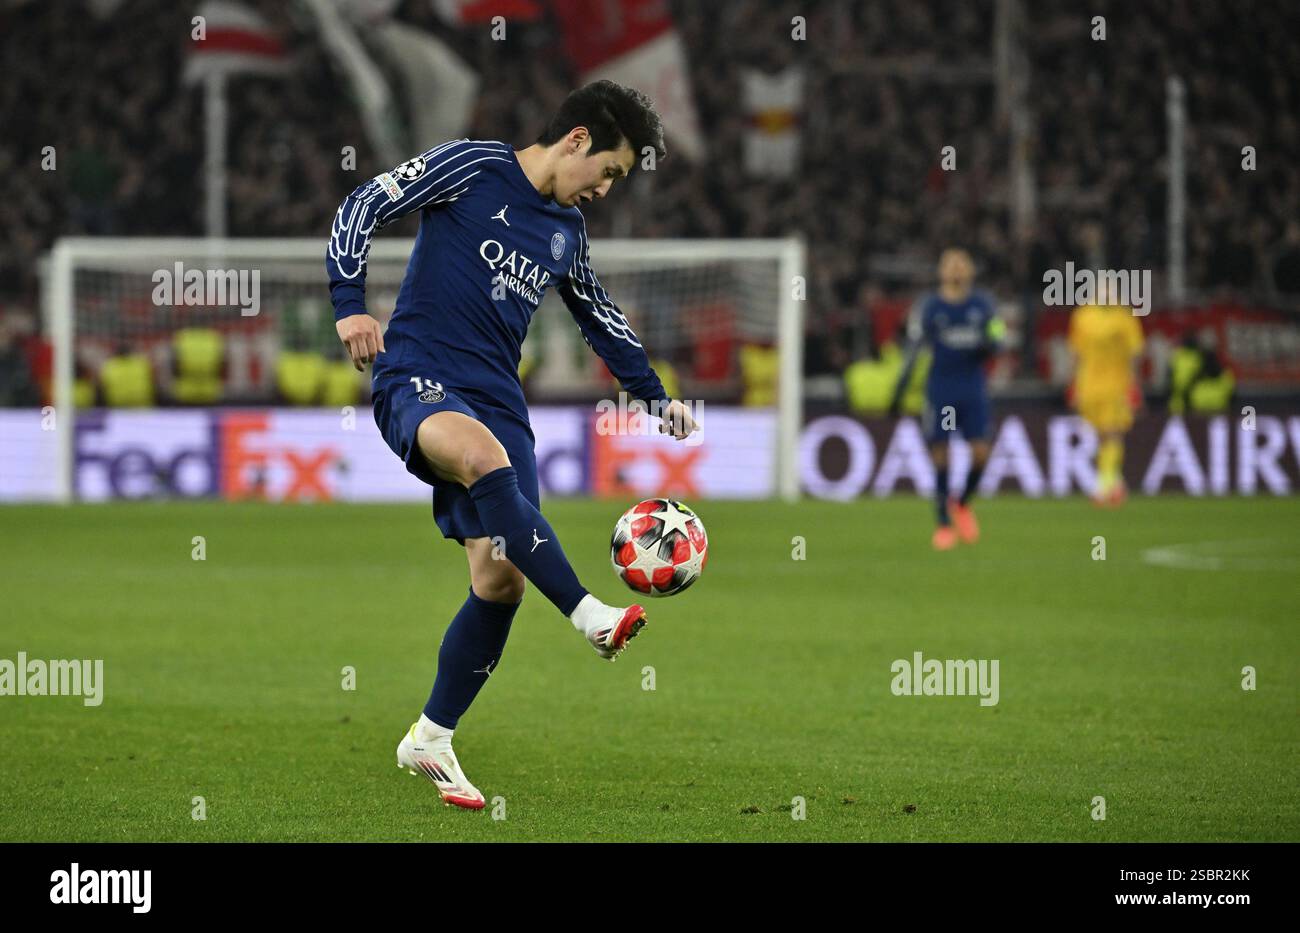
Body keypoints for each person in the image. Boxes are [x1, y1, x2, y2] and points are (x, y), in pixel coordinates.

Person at [325, 81, 698, 809]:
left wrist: (656, 396)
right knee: (480, 459)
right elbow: (361, 203)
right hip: (419, 375)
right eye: (610, 171)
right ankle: (590, 614)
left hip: (500, 399)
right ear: (578, 140)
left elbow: (601, 320)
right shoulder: (472, 166)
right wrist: (349, 307)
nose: (605, 189)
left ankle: (431, 736)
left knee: (501, 581)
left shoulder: (568, 234)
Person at [889, 249, 1003, 550]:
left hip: (972, 388)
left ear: (970, 271)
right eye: (950, 265)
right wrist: (899, 390)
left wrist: (992, 344)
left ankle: (962, 503)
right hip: (943, 391)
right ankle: (942, 523)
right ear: (940, 271)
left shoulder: (984, 305)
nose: (955, 270)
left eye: (961, 265)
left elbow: (998, 338)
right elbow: (913, 348)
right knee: (942, 453)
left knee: (980, 453)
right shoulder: (929, 307)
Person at [1067, 283, 1144, 506]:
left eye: (1110, 290)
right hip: (1088, 384)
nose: (1106, 294)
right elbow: (1076, 352)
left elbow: (1135, 354)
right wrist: (1073, 385)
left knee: (1112, 431)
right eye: (1102, 290)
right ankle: (1116, 484)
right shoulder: (1082, 316)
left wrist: (1134, 386)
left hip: (1116, 384)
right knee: (1102, 435)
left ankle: (1104, 485)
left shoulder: (1125, 317)